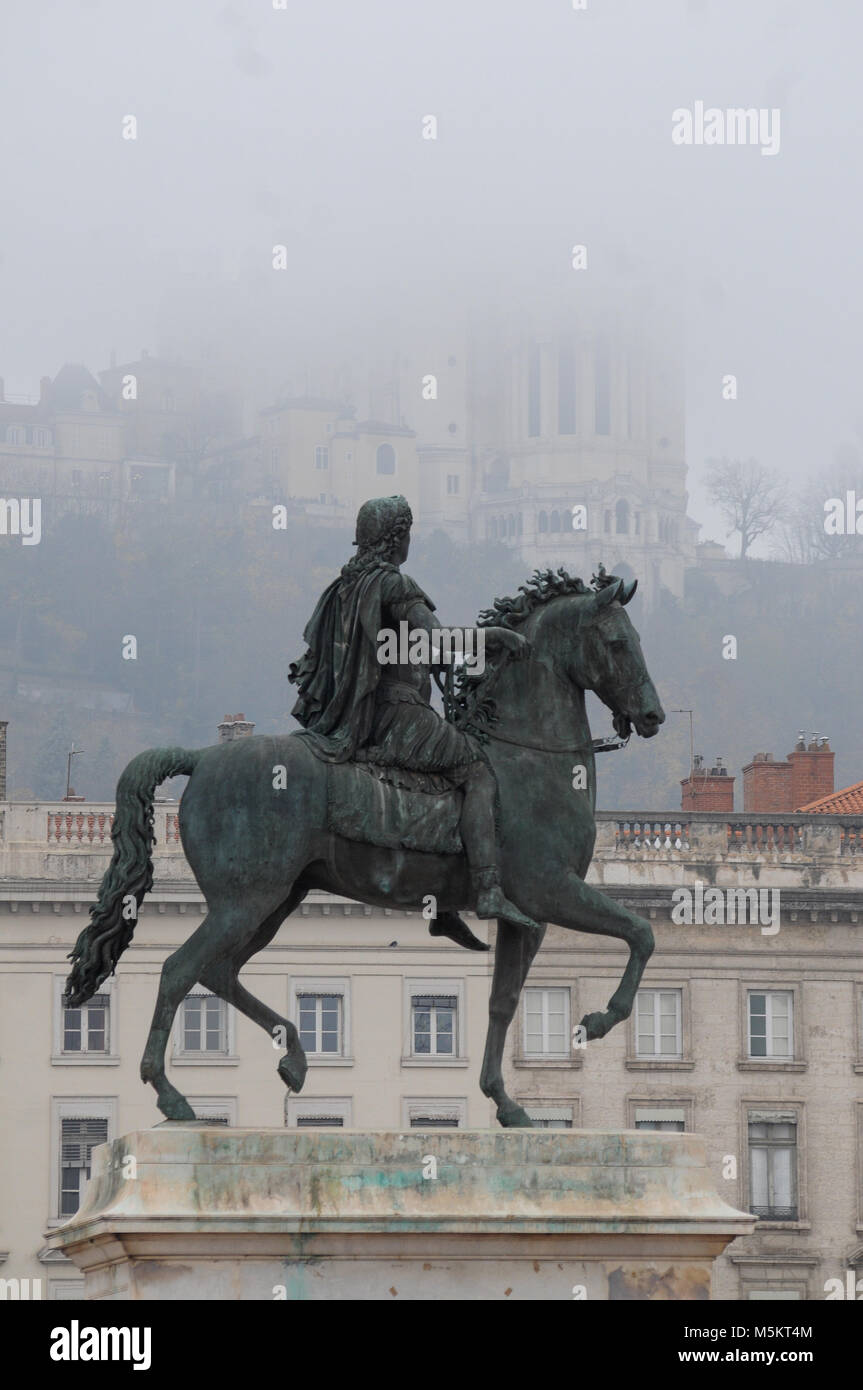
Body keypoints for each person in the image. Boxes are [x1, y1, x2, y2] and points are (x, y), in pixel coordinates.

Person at [289, 494, 540, 943]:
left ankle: (442, 902)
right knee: (478, 771)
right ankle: (485, 889)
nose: (409, 541)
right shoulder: (393, 585)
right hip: (396, 713)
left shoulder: (343, 587)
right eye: (407, 533)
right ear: (396, 538)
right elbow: (438, 643)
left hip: (357, 716)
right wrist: (493, 636)